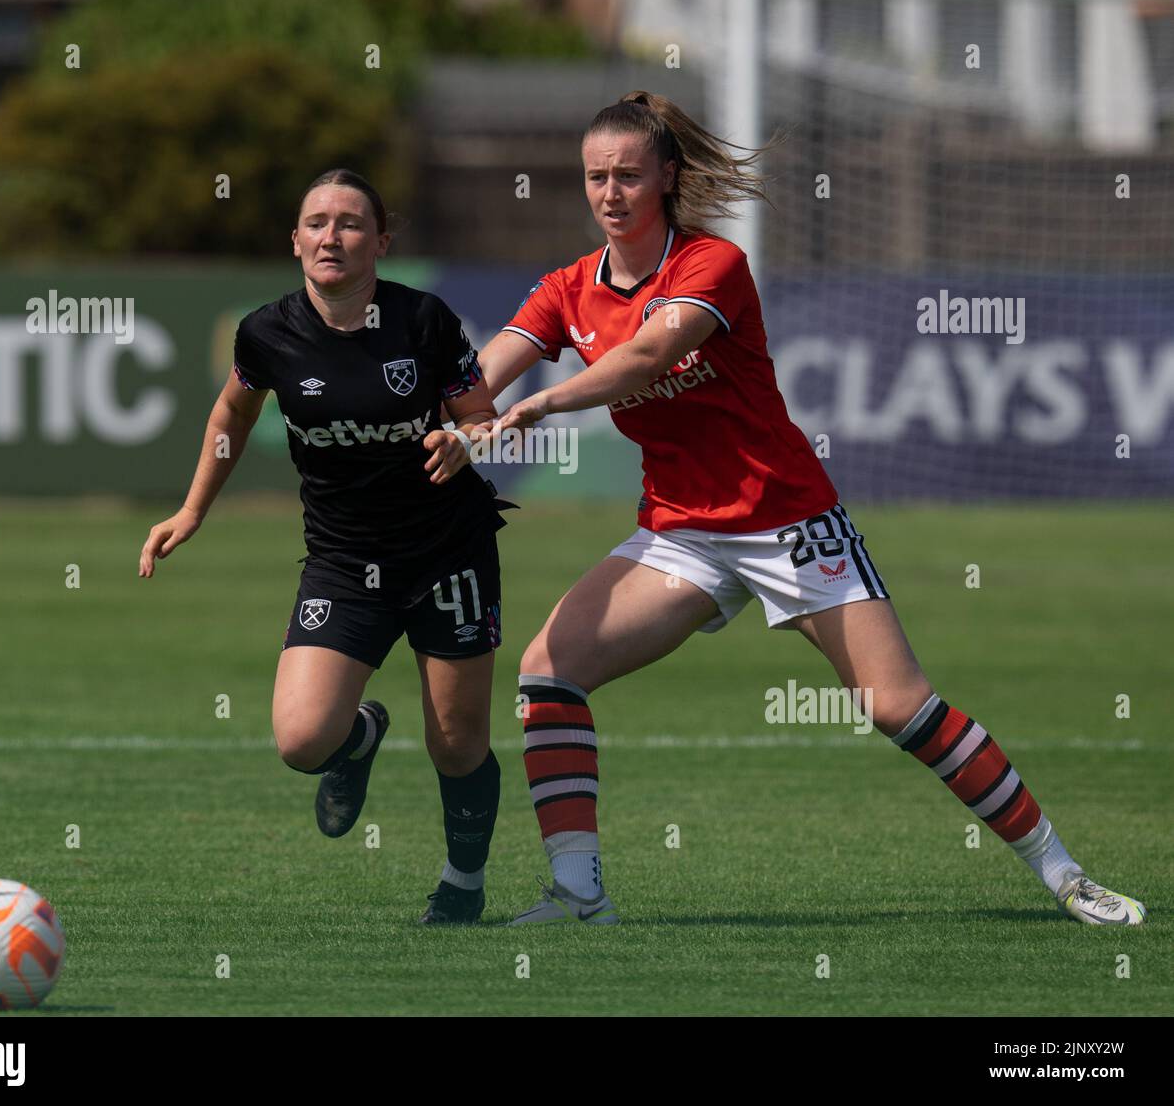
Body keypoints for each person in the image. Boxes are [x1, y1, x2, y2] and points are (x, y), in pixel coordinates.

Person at [460, 91, 1145, 928]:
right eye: (596, 177)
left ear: (667, 178)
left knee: (899, 708)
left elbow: (648, 353)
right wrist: (441, 420)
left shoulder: (712, 264)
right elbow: (480, 375)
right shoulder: (568, 287)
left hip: (788, 521)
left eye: (629, 176)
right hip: (681, 533)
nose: (610, 193)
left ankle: (1064, 872)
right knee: (548, 672)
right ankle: (577, 895)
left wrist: (542, 406)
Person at [139, 169, 510, 924]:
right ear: (295, 241)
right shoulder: (266, 332)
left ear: (380, 240)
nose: (330, 236)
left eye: (348, 223)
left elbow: (484, 416)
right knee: (303, 740)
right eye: (315, 222)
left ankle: (463, 887)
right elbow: (232, 414)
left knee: (458, 743)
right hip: (344, 562)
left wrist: (464, 441)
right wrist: (193, 508)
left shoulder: (424, 320)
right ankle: (361, 735)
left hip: (448, 552)